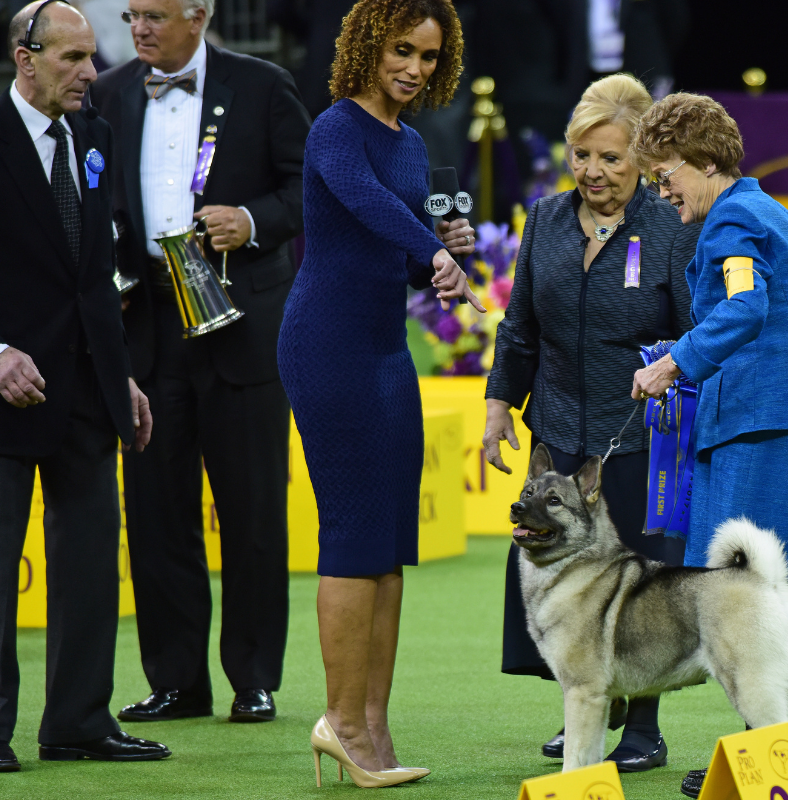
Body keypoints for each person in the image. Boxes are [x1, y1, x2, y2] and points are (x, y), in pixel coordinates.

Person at [275, 0, 482, 787]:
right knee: (353, 537)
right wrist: (434, 248)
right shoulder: (335, 127)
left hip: (387, 349)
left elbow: (393, 255)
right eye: (403, 49)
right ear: (369, 43)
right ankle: (341, 721)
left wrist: (441, 252)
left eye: (429, 57)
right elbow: (363, 204)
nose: (415, 68)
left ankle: (375, 730)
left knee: (392, 548)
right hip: (327, 344)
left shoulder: (415, 141)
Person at [89, 0, 310, 724]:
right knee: (154, 512)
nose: (140, 27)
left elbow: (307, 188)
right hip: (146, 320)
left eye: (155, 14)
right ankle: (177, 680)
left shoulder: (265, 84)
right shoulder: (109, 91)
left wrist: (250, 222)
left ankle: (253, 677)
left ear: (200, 14)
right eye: (132, 14)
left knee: (251, 510)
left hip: (240, 321)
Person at [628, 92, 788, 799]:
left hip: (759, 424)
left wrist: (677, 364)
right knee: (779, 593)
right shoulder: (770, 214)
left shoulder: (733, 220)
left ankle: (767, 757)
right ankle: (778, 754)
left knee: (744, 595)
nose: (662, 195)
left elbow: (746, 308)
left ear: (708, 161)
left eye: (666, 177)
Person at [484, 73, 698, 773]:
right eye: (582, 154)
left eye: (611, 157)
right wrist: (497, 408)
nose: (594, 171)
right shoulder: (544, 219)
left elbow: (698, 329)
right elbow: (518, 328)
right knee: (559, 576)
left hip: (641, 434)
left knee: (640, 588)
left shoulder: (668, 226)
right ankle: (583, 707)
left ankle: (643, 726)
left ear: (641, 158)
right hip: (555, 431)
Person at [0, 0, 166, 768]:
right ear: (23, 57)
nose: (90, 73)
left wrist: (120, 372)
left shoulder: (92, 135)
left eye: (91, 57)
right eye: (71, 58)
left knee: (93, 565)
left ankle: (77, 722)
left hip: (87, 388)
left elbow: (96, 275)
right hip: (5, 388)